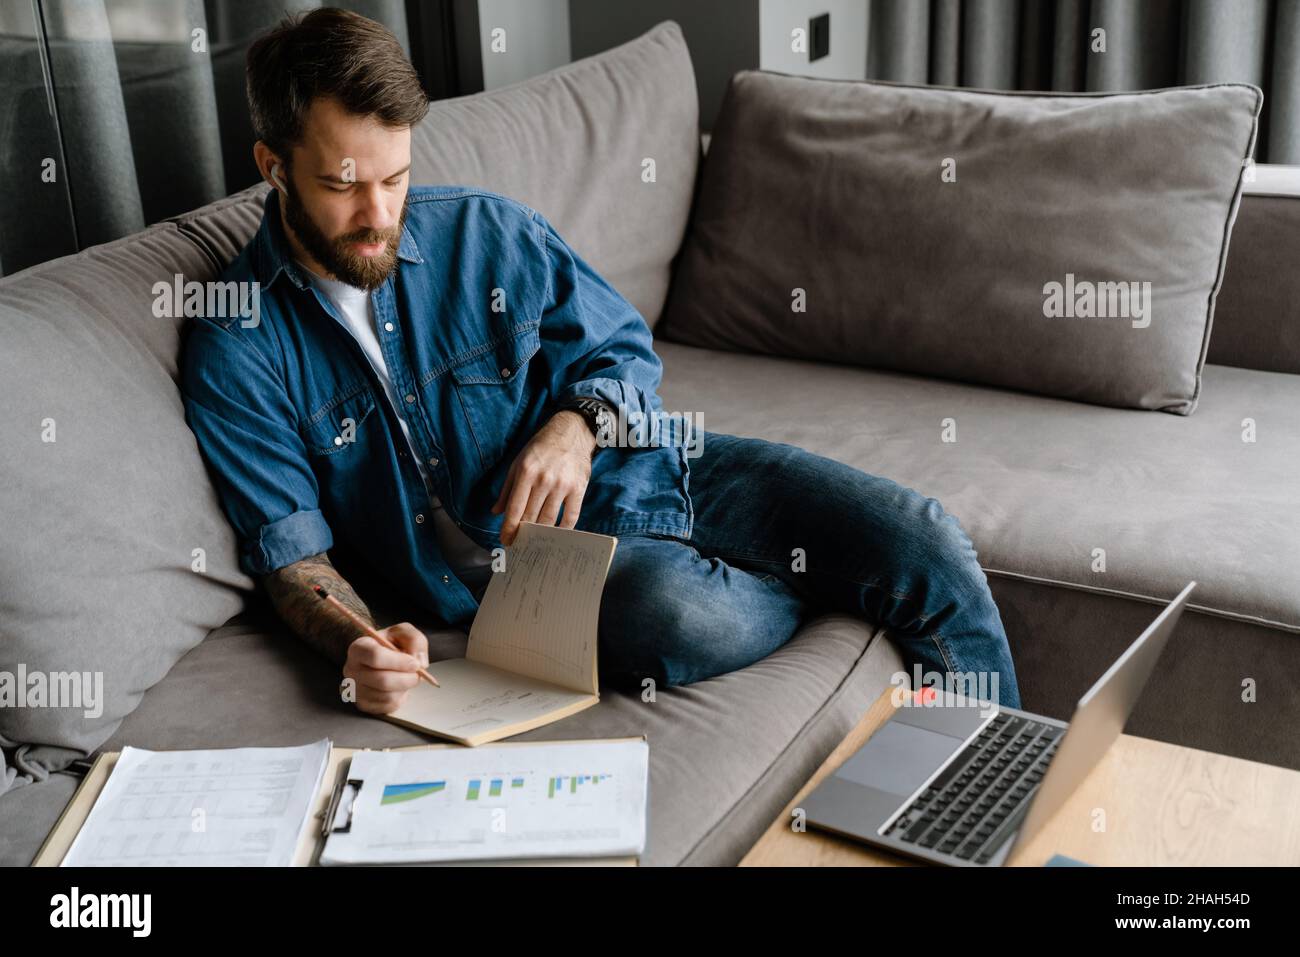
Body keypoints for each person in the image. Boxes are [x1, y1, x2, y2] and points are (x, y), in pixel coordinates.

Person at [181, 7, 1022, 718]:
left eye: (396, 179)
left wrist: (575, 427)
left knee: (922, 538)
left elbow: (619, 350)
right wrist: (357, 643)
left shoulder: (486, 234)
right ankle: (830, 587)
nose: (378, 215)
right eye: (344, 184)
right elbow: (295, 559)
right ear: (272, 167)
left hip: (653, 469)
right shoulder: (237, 344)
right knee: (671, 613)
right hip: (540, 591)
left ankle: (998, 799)